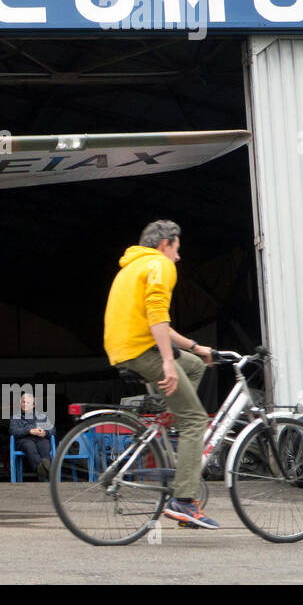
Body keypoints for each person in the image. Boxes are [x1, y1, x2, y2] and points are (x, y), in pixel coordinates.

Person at [103, 219, 217, 528]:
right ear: (165, 244)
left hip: (125, 347)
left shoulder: (131, 268)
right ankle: (183, 501)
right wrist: (168, 361)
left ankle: (172, 416)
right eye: (177, 249)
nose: (178, 257)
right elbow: (157, 315)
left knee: (193, 367)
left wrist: (195, 347)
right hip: (141, 350)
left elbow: (160, 327)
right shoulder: (159, 265)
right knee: (196, 419)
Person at [10, 392, 55, 481]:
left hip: (39, 439)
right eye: (23, 402)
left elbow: (53, 430)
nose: (25, 404)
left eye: (28, 402)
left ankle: (44, 468)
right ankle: (42, 469)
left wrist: (45, 432)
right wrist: (29, 431)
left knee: (45, 443)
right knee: (29, 445)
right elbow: (13, 431)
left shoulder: (42, 417)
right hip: (23, 441)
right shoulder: (15, 417)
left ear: (33, 405)